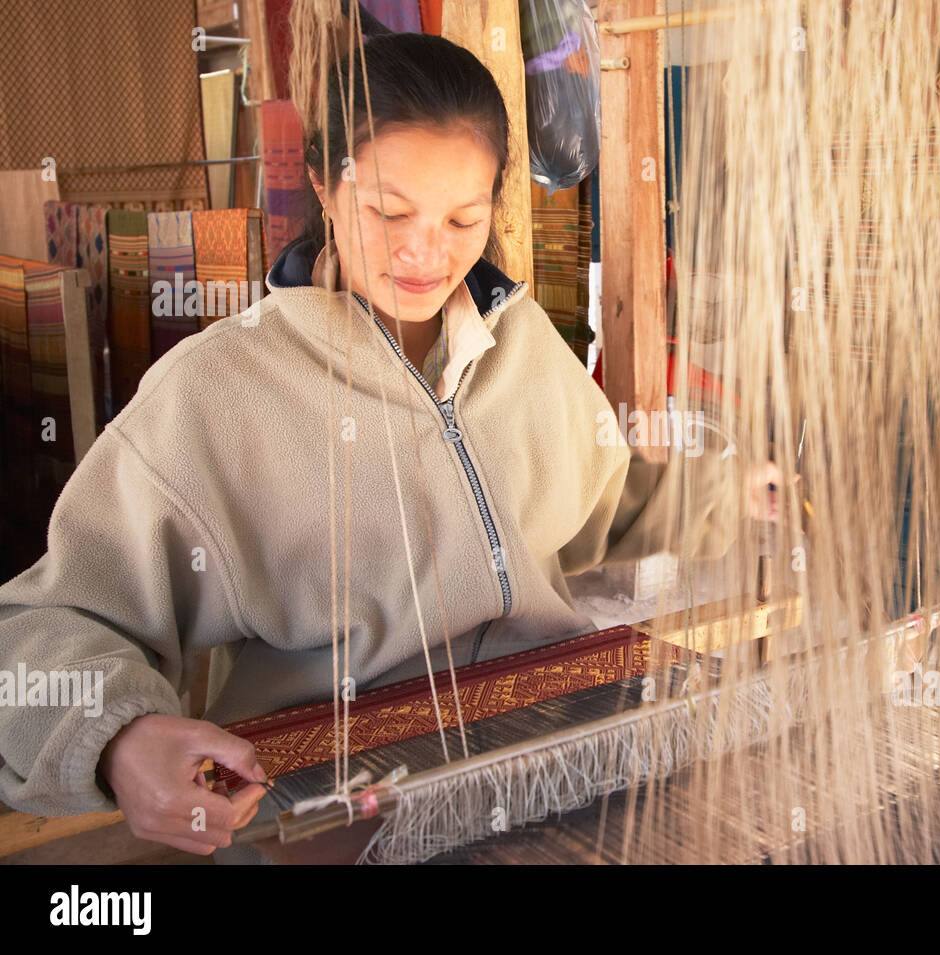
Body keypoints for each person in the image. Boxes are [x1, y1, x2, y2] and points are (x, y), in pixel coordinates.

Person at [0, 30, 785, 859]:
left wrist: (727, 495)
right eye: (387, 211)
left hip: (555, 746)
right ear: (322, 186)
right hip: (339, 803)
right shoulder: (215, 392)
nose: (425, 252)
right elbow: (39, 628)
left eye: (463, 218)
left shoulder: (522, 346)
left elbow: (600, 509)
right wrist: (117, 736)